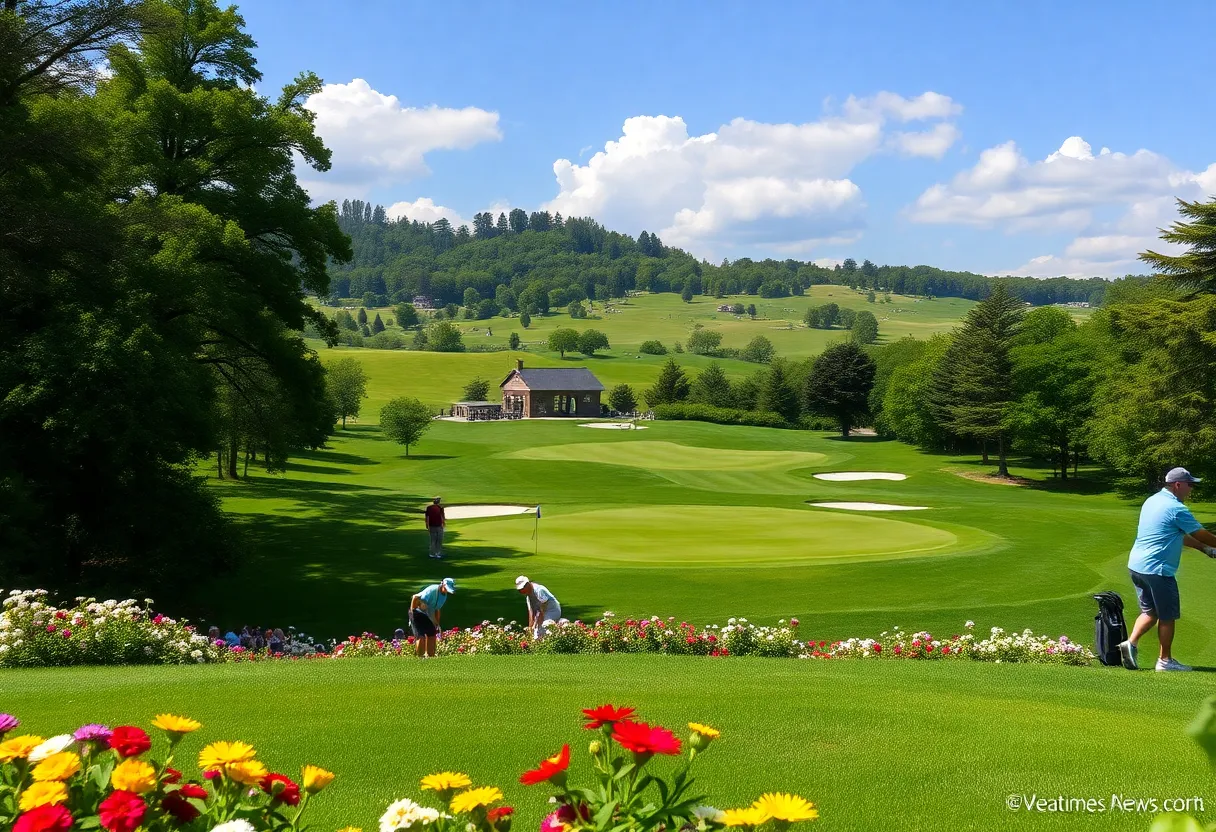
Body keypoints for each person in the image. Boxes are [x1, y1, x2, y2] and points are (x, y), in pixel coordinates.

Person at [1119, 467, 1216, 672]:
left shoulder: (1152, 501)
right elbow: (1202, 534)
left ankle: (1131, 643)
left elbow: (1176, 535)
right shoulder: (1176, 509)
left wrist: (1205, 549)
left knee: (1150, 611)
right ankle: (1165, 661)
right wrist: (1208, 544)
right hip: (1158, 569)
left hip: (1137, 566)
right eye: (1190, 485)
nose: (1191, 489)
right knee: (1167, 615)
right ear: (1178, 485)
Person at [410, 577, 456, 657]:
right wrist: (413, 613)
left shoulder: (444, 596)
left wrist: (436, 624)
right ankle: (419, 659)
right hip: (418, 612)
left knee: (432, 635)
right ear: (442, 585)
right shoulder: (432, 590)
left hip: (428, 614)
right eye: (446, 588)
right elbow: (415, 598)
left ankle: (430, 659)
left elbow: (437, 610)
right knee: (421, 637)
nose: (446, 591)